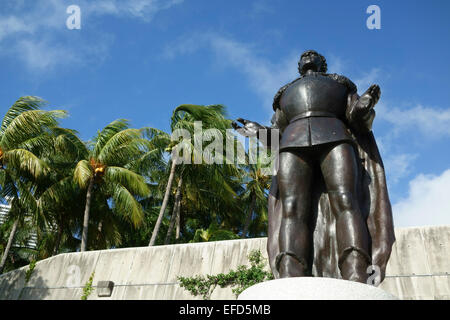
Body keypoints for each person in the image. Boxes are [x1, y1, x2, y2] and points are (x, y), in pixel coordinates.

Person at [233, 50, 394, 284]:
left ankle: (356, 271)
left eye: (313, 54)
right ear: (299, 65)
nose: (307, 55)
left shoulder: (339, 84)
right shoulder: (285, 94)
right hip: (292, 143)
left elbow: (355, 117)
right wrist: (258, 131)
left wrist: (365, 105)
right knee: (291, 208)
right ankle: (290, 272)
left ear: (322, 63)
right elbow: (276, 134)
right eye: (303, 55)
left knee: (346, 201)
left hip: (335, 138)